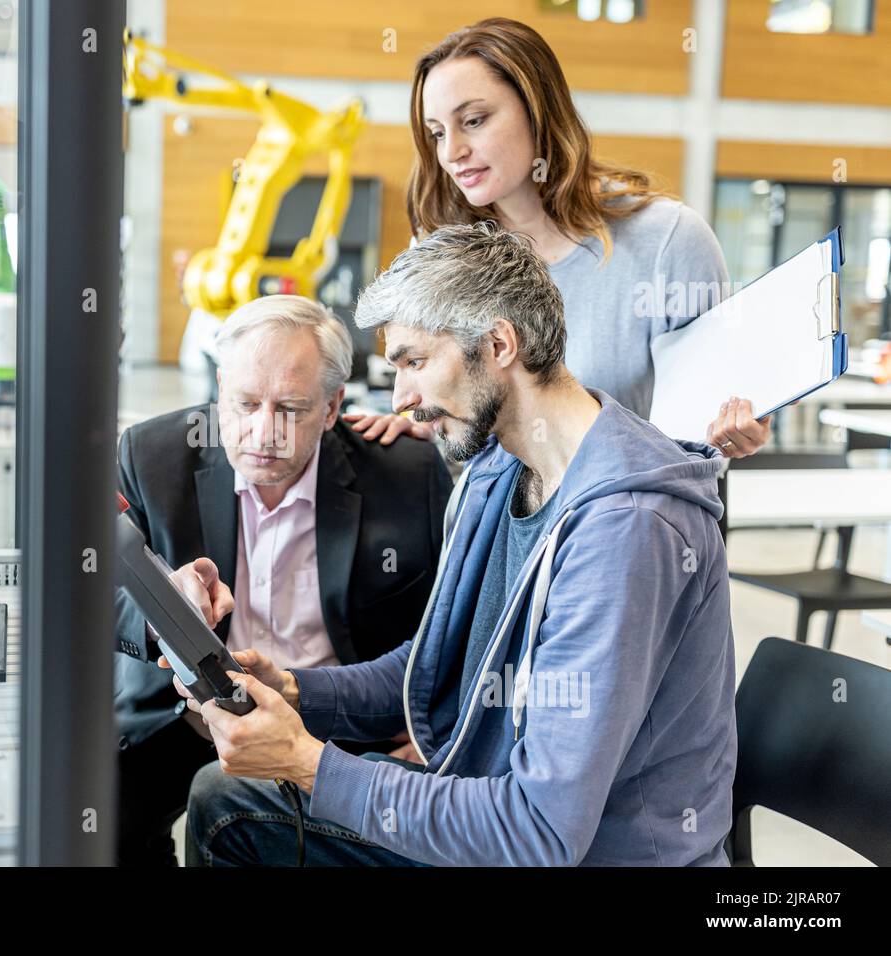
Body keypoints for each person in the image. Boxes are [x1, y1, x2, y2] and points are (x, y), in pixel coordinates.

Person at [175, 223, 737, 866]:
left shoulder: (627, 531)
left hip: (572, 851)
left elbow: (539, 834)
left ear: (499, 343)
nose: (401, 399)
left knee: (233, 808)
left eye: (415, 361)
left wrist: (308, 765)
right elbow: (440, 661)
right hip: (489, 807)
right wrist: (299, 691)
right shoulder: (500, 467)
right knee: (226, 798)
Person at [114, 294, 453, 866]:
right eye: (245, 403)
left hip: (336, 722)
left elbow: (451, 628)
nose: (263, 432)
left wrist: (426, 731)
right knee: (100, 816)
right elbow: (91, 592)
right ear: (220, 387)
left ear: (332, 406)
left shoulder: (406, 471)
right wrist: (162, 613)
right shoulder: (153, 454)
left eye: (291, 409)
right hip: (186, 718)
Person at [347, 17, 769, 458]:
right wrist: (427, 421)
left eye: (474, 120)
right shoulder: (443, 258)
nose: (452, 152)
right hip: (499, 520)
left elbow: (707, 430)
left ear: (538, 111)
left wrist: (734, 431)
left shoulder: (667, 241)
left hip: (629, 516)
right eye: (437, 132)